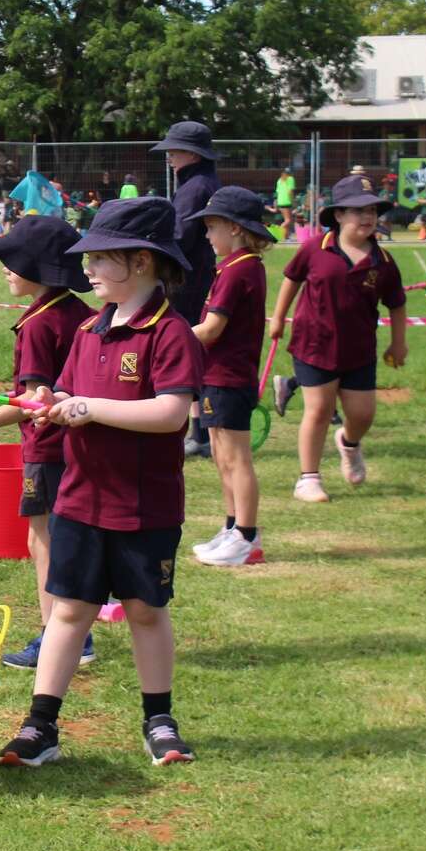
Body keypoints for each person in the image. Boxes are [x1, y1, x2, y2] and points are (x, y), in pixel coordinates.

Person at [0, 197, 203, 769]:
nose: (84, 267)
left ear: (140, 262)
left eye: (99, 257)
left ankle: (159, 720)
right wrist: (51, 406)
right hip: (81, 499)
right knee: (68, 611)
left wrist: (91, 408)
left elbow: (170, 414)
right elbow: (66, 395)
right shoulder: (88, 328)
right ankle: (41, 726)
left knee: (144, 610)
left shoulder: (171, 333)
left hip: (145, 505)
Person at [0, 216, 96, 669]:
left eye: (14, 260)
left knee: (43, 539)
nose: (5, 267)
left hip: (47, 448)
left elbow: (32, 402)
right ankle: (72, 634)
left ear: (41, 267)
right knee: (64, 537)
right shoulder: (81, 315)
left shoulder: (38, 325)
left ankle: (59, 639)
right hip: (81, 444)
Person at [269, 175, 408, 504]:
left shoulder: (383, 262)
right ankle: (308, 478)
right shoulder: (315, 249)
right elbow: (291, 279)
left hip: (359, 350)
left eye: (372, 210)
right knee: (318, 410)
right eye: (357, 210)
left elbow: (397, 304)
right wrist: (277, 317)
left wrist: (398, 343)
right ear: (339, 215)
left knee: (362, 415)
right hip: (313, 345)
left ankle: (348, 443)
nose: (367, 216)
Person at [185, 187, 272, 566]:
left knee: (236, 457)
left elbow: (212, 327)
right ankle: (232, 526)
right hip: (215, 374)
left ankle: (248, 537)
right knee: (220, 454)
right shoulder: (228, 267)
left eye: (211, 227)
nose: (207, 236)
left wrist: (168, 340)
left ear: (235, 229)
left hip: (230, 377)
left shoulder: (241, 269)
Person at [151, 121, 222, 458]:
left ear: (192, 154)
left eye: (174, 151)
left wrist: (154, 258)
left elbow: (181, 234)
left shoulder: (195, 187)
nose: (169, 157)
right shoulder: (199, 182)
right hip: (193, 274)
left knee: (180, 350)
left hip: (185, 278)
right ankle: (200, 433)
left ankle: (194, 430)